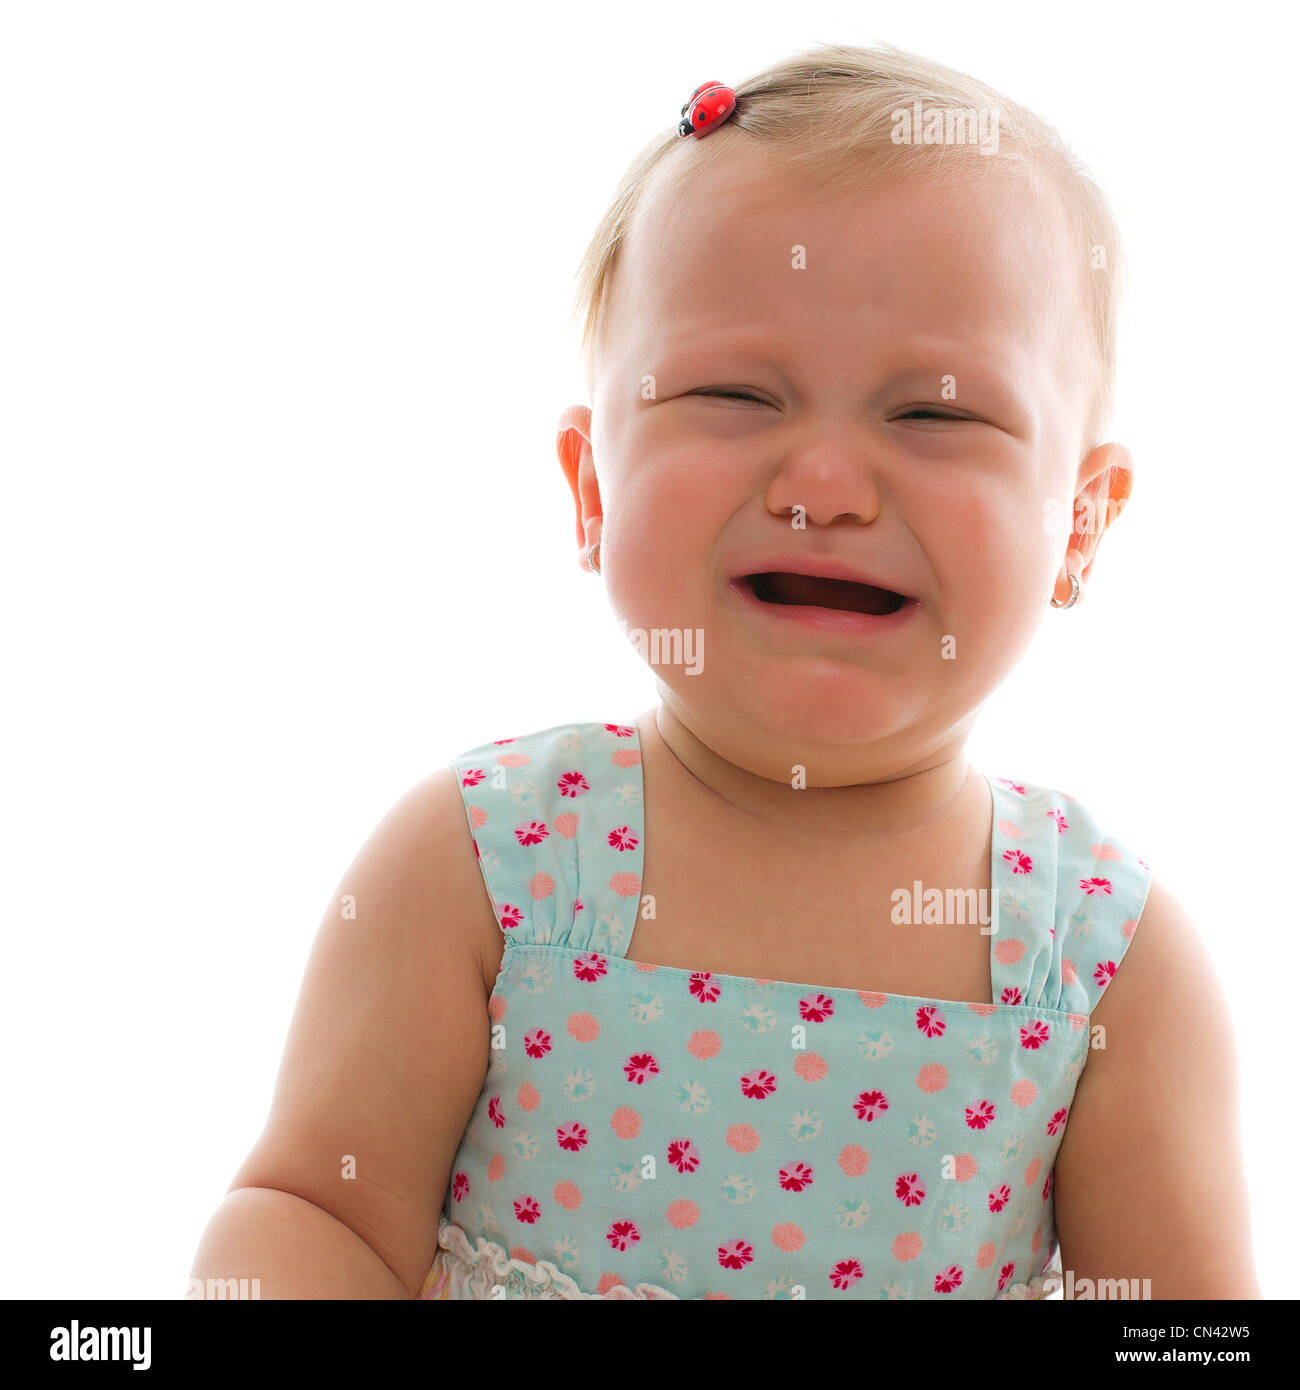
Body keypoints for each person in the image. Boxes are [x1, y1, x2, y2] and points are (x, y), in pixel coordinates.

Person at [190, 41, 1259, 1300]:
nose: (821, 486)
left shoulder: (1100, 962)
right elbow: (315, 1212)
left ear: (1079, 522)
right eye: (733, 394)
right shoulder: (490, 863)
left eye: (934, 413)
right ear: (592, 488)